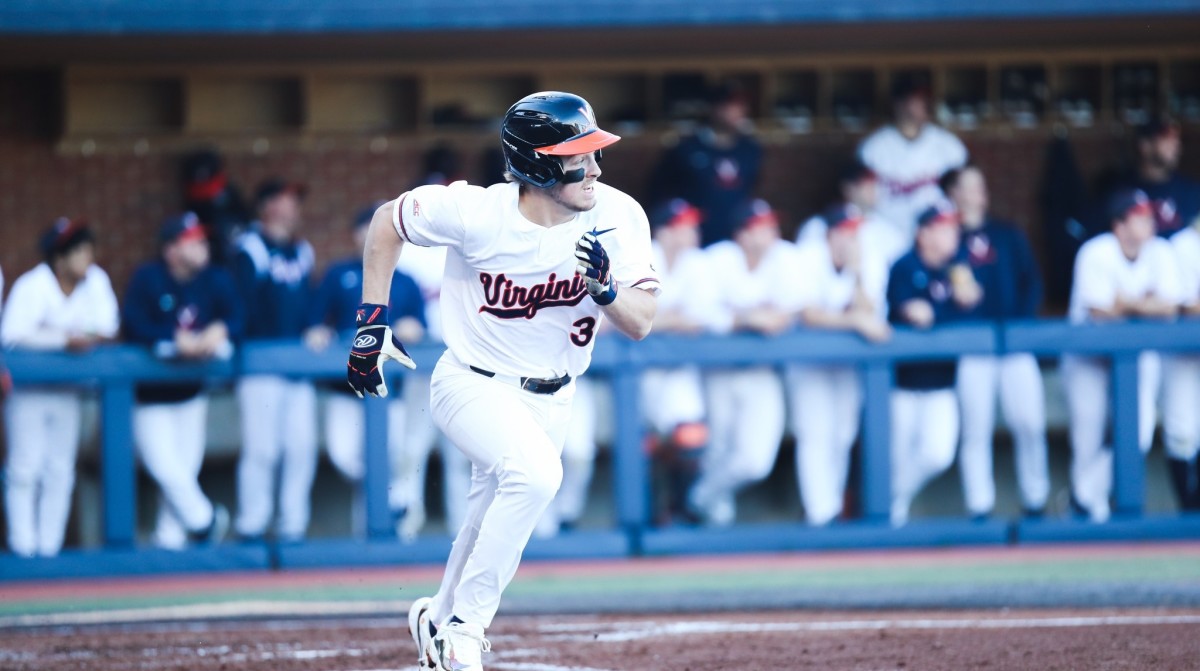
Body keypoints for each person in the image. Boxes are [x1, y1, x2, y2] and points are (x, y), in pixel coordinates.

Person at [345, 91, 658, 671]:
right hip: (471, 382)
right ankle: (466, 630)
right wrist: (371, 322)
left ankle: (437, 617)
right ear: (538, 163)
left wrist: (607, 290)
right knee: (537, 476)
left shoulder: (618, 215)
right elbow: (387, 222)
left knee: (488, 512)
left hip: (555, 393)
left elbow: (640, 323)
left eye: (594, 152)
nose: (594, 168)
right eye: (578, 155)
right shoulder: (475, 211)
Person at [305, 204, 426, 540]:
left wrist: (411, 327)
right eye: (366, 229)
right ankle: (391, 502)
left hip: (391, 390)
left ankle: (380, 529)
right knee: (346, 457)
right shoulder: (337, 273)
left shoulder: (405, 280)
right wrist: (317, 331)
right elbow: (315, 321)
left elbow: (420, 326)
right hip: (347, 389)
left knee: (391, 455)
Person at [122, 212, 240, 549]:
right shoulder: (148, 278)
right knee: (164, 467)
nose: (203, 246)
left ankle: (169, 542)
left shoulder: (215, 278)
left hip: (192, 394)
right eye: (193, 241)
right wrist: (174, 340)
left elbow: (238, 317)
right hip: (152, 397)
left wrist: (220, 329)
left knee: (184, 472)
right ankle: (206, 521)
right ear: (171, 249)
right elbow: (133, 324)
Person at [1, 218, 119, 557]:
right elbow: (10, 336)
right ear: (59, 258)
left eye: (87, 249)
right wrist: (61, 338)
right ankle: (24, 549)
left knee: (60, 470)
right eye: (78, 251)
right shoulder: (33, 286)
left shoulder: (96, 281)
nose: (87, 257)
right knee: (25, 468)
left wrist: (83, 336)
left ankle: (48, 550)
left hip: (68, 390)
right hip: (29, 394)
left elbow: (109, 326)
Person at [1062, 188, 1181, 523]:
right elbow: (1100, 312)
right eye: (1139, 216)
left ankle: (1082, 497)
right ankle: (1091, 516)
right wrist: (1144, 303)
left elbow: (1170, 308)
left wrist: (1125, 302)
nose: (1149, 222)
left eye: (1149, 215)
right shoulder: (1096, 251)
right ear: (1119, 225)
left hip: (1137, 355)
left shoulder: (1160, 251)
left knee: (1139, 432)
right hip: (1087, 357)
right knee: (1087, 438)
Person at [940, 166, 1050, 521]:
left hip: (1014, 344)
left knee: (1030, 422)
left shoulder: (1007, 234)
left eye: (980, 187)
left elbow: (1032, 282)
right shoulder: (944, 238)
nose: (977, 194)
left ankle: (1035, 501)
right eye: (969, 188)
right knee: (976, 429)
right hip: (973, 348)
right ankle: (980, 507)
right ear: (953, 194)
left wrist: (1021, 327)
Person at [687, 199, 798, 527]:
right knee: (716, 450)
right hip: (718, 370)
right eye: (760, 228)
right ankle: (714, 522)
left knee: (756, 461)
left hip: (762, 372)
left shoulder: (785, 257)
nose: (769, 234)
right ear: (742, 234)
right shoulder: (718, 259)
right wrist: (750, 316)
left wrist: (740, 313)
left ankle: (699, 497)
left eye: (771, 227)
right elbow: (701, 314)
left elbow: (790, 312)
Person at [787, 204, 892, 526]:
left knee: (843, 435)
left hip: (845, 365)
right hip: (807, 362)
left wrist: (858, 273)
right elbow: (809, 314)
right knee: (814, 434)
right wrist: (854, 321)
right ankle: (819, 514)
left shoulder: (868, 259)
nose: (851, 238)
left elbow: (868, 309)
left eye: (855, 232)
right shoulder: (807, 256)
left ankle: (830, 508)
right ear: (830, 234)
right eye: (845, 231)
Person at [231, 178, 318, 543]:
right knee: (262, 449)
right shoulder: (248, 249)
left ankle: (292, 526)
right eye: (286, 200)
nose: (293, 208)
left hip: (297, 366)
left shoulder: (303, 251)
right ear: (267, 207)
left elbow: (309, 305)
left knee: (301, 447)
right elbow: (240, 307)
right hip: (259, 364)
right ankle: (252, 525)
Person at [886, 203, 982, 526]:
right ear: (923, 234)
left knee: (937, 454)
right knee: (895, 455)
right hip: (901, 383)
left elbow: (970, 303)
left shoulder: (956, 267)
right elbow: (913, 313)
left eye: (953, 228)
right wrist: (939, 312)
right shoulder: (904, 265)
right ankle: (890, 520)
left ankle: (887, 501)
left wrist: (953, 303)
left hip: (942, 381)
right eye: (943, 228)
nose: (952, 235)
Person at [640, 199, 718, 525]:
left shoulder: (698, 263)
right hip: (638, 370)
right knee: (643, 441)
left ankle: (680, 506)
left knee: (691, 434)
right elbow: (625, 318)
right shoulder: (640, 255)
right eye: (683, 226)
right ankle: (646, 513)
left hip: (678, 368)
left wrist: (658, 318)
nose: (691, 232)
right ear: (664, 232)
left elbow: (701, 319)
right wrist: (669, 319)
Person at [648, 82, 763, 247]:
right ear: (715, 108)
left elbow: (752, 188)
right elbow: (659, 192)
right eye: (730, 106)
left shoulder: (750, 149)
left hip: (737, 242)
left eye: (741, 106)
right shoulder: (686, 148)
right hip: (694, 241)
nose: (737, 111)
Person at [860, 74, 968, 239]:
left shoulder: (949, 145)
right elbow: (860, 200)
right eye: (914, 100)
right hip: (887, 237)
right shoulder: (873, 148)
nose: (921, 105)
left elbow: (965, 192)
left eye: (923, 100)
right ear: (898, 104)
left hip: (937, 238)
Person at [797, 159, 909, 265]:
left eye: (873, 183)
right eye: (864, 184)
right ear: (847, 188)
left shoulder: (886, 230)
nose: (872, 189)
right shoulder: (817, 226)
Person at [1110, 115, 1200, 238]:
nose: (1175, 144)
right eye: (1166, 137)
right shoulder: (1121, 192)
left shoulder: (1192, 192)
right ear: (1145, 145)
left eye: (1177, 139)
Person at [1165, 213, 1200, 510]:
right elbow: (1187, 305)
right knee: (1182, 430)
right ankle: (1187, 508)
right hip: (1182, 351)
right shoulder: (1183, 245)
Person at [181, 149, 252, 267]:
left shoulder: (230, 194)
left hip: (232, 248)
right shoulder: (193, 200)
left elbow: (244, 219)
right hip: (210, 255)